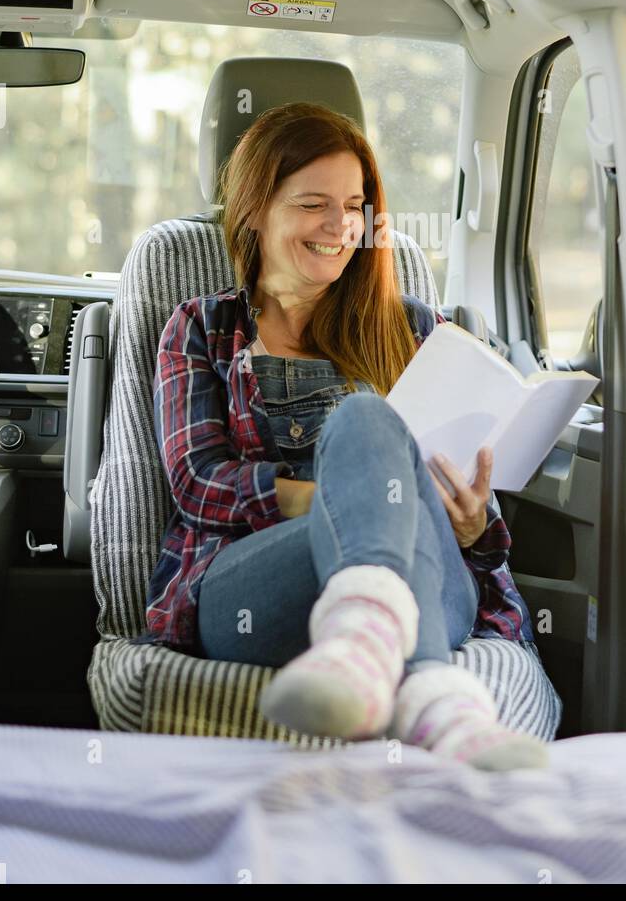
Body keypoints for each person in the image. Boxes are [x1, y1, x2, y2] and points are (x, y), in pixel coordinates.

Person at [145, 100, 551, 770]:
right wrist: (351, 496)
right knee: (365, 423)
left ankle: (373, 647)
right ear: (252, 210)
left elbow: (475, 530)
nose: (340, 226)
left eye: (355, 204)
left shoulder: (419, 329)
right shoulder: (202, 330)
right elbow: (197, 485)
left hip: (432, 585)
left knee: (378, 442)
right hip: (256, 588)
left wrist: (473, 524)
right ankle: (435, 697)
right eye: (312, 204)